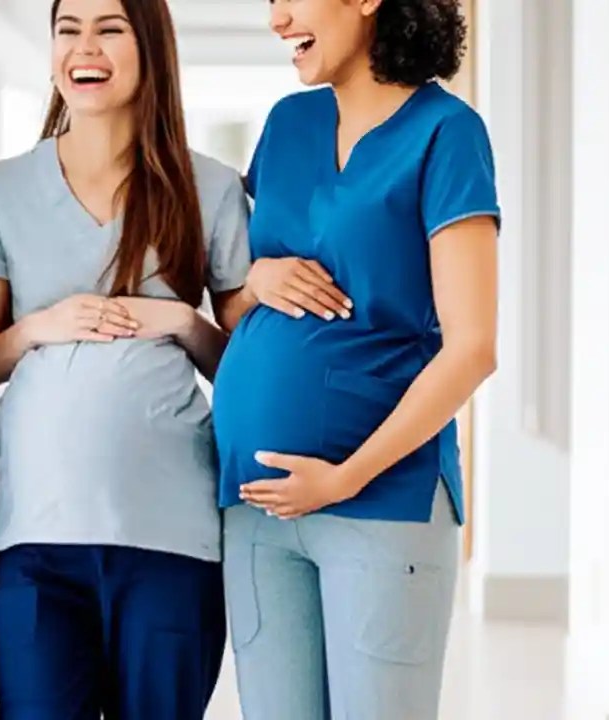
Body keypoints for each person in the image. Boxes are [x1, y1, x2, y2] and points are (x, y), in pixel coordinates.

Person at [211, 0, 500, 718]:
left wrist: (344, 477)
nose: (277, 19)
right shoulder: (288, 124)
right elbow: (234, 298)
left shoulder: (447, 133)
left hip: (382, 499)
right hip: (254, 506)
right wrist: (256, 280)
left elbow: (473, 348)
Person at [0, 0, 253, 717]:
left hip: (171, 533)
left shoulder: (211, 187)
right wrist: (40, 326)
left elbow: (246, 370)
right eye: (68, 30)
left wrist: (183, 321)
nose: (83, 47)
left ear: (151, 46)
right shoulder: (0, 188)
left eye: (109, 28)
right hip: (37, 531)